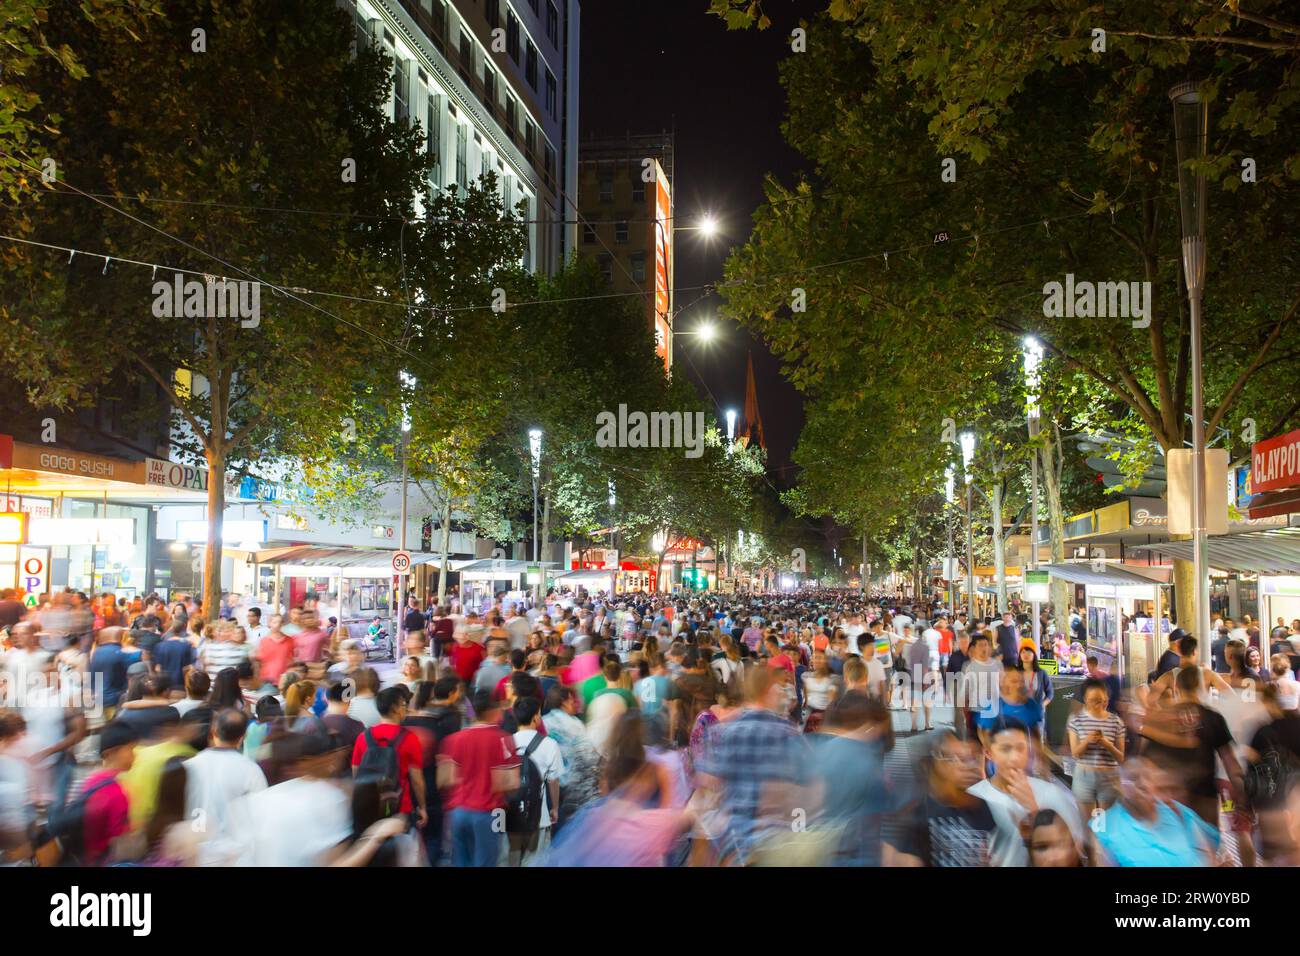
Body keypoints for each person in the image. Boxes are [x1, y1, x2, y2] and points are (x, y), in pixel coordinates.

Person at [695, 666, 810, 865]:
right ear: (768, 691)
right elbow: (806, 784)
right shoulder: (788, 732)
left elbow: (708, 783)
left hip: (735, 842)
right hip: (777, 841)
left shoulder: (723, 731)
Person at [968, 717, 1083, 866]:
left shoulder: (1053, 794)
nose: (1015, 757)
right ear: (989, 753)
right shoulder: (974, 797)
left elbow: (1074, 850)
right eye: (1005, 749)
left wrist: (1034, 811)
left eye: (1020, 748)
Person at [886, 730, 997, 867]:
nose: (966, 766)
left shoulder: (979, 805)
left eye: (968, 758)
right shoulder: (918, 810)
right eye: (953, 758)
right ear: (935, 763)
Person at [438, 689, 520, 867]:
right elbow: (511, 782)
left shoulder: (454, 739)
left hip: (458, 812)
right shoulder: (503, 739)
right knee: (487, 861)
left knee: (460, 861)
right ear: (494, 711)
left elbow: (446, 779)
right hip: (490, 813)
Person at [1090, 756, 1217, 866]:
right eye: (1133, 778)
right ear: (1119, 785)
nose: (1143, 784)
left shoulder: (1177, 811)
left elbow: (1208, 857)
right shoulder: (1105, 826)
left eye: (1148, 777)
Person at [183, 708, 269, 854]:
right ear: (244, 736)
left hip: (195, 848)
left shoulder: (189, 765)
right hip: (235, 852)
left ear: (213, 731)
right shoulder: (251, 770)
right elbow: (262, 815)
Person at [351, 686, 426, 827]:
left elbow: (356, 771)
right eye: (404, 704)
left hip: (370, 807)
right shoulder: (410, 738)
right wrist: (422, 807)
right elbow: (416, 779)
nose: (406, 709)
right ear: (395, 708)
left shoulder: (363, 737)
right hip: (400, 806)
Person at [509, 695, 563, 866]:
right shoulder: (549, 744)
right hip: (538, 817)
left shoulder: (505, 743)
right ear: (534, 718)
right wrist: (554, 808)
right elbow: (553, 781)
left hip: (509, 818)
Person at [1067, 678, 1126, 821]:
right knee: (1088, 824)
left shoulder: (1116, 722)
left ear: (1107, 699)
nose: (1099, 704)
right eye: (1094, 700)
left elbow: (1120, 757)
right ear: (1086, 700)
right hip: (1084, 776)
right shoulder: (1075, 720)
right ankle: (1090, 843)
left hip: (1109, 777)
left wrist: (1106, 743)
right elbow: (1075, 753)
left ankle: (1102, 843)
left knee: (1107, 824)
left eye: (1102, 700)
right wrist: (1087, 741)